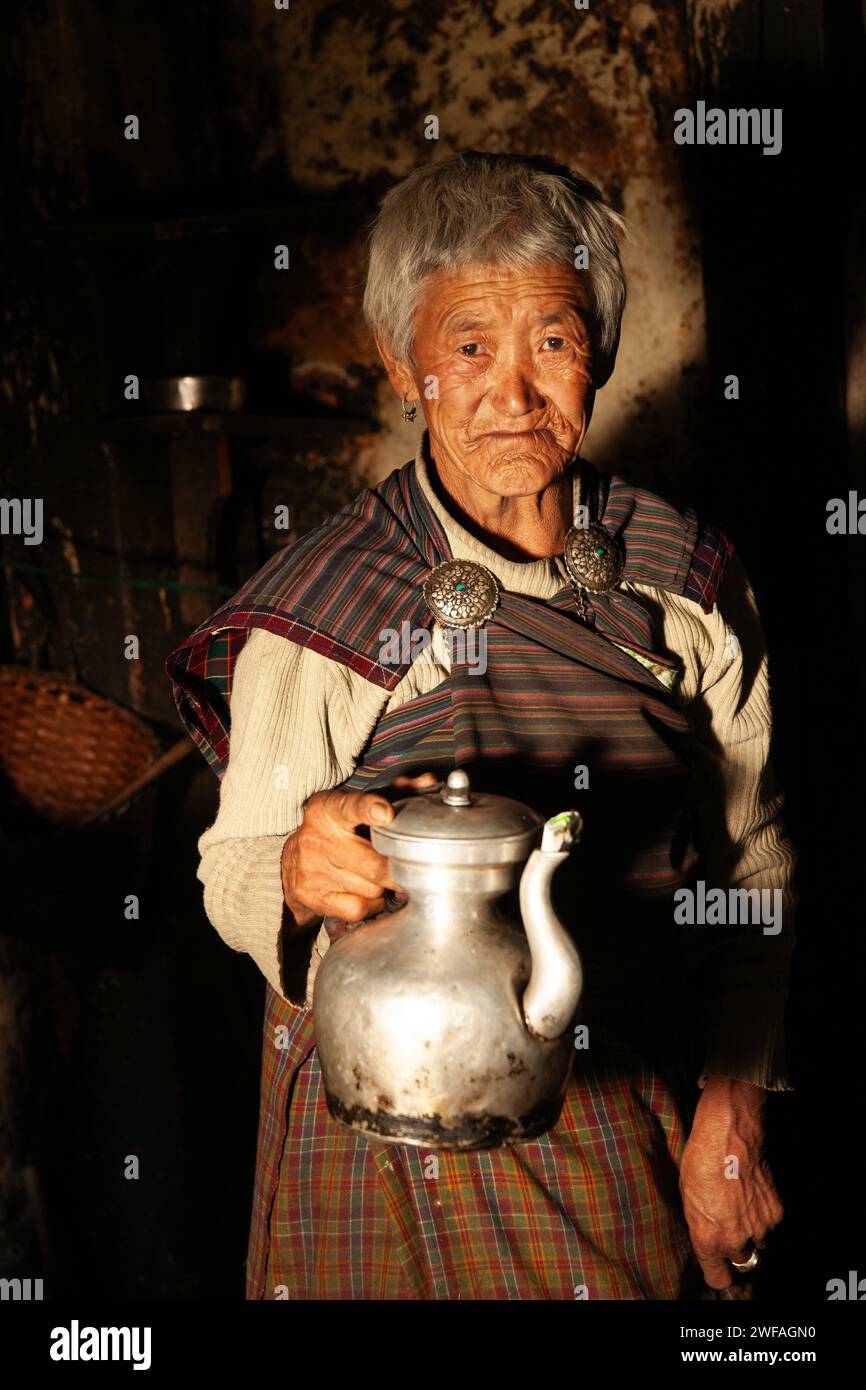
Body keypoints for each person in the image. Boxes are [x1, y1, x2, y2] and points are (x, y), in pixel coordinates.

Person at [166, 150, 796, 1300]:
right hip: (395, 1130)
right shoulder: (327, 602)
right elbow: (234, 868)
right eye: (469, 347)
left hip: (628, 1110)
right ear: (404, 366)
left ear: (597, 348)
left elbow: (752, 870)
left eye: (550, 340)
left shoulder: (687, 580)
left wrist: (732, 1108)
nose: (512, 393)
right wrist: (298, 873)